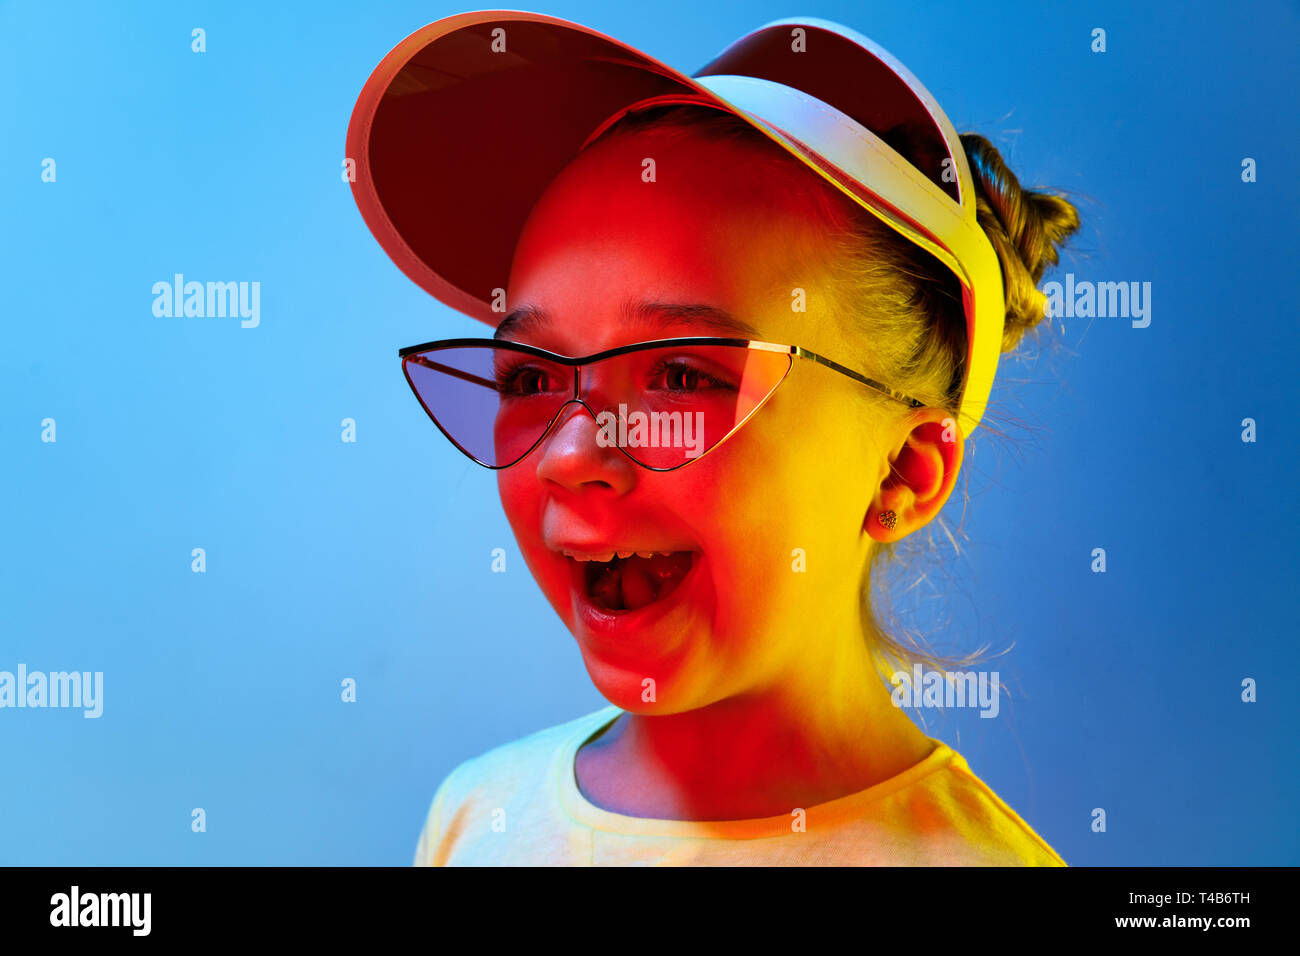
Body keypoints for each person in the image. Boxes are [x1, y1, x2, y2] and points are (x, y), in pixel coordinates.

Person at [348, 12, 1081, 865]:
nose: (569, 455)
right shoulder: (477, 817)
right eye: (530, 378)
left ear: (902, 473)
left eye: (684, 377)